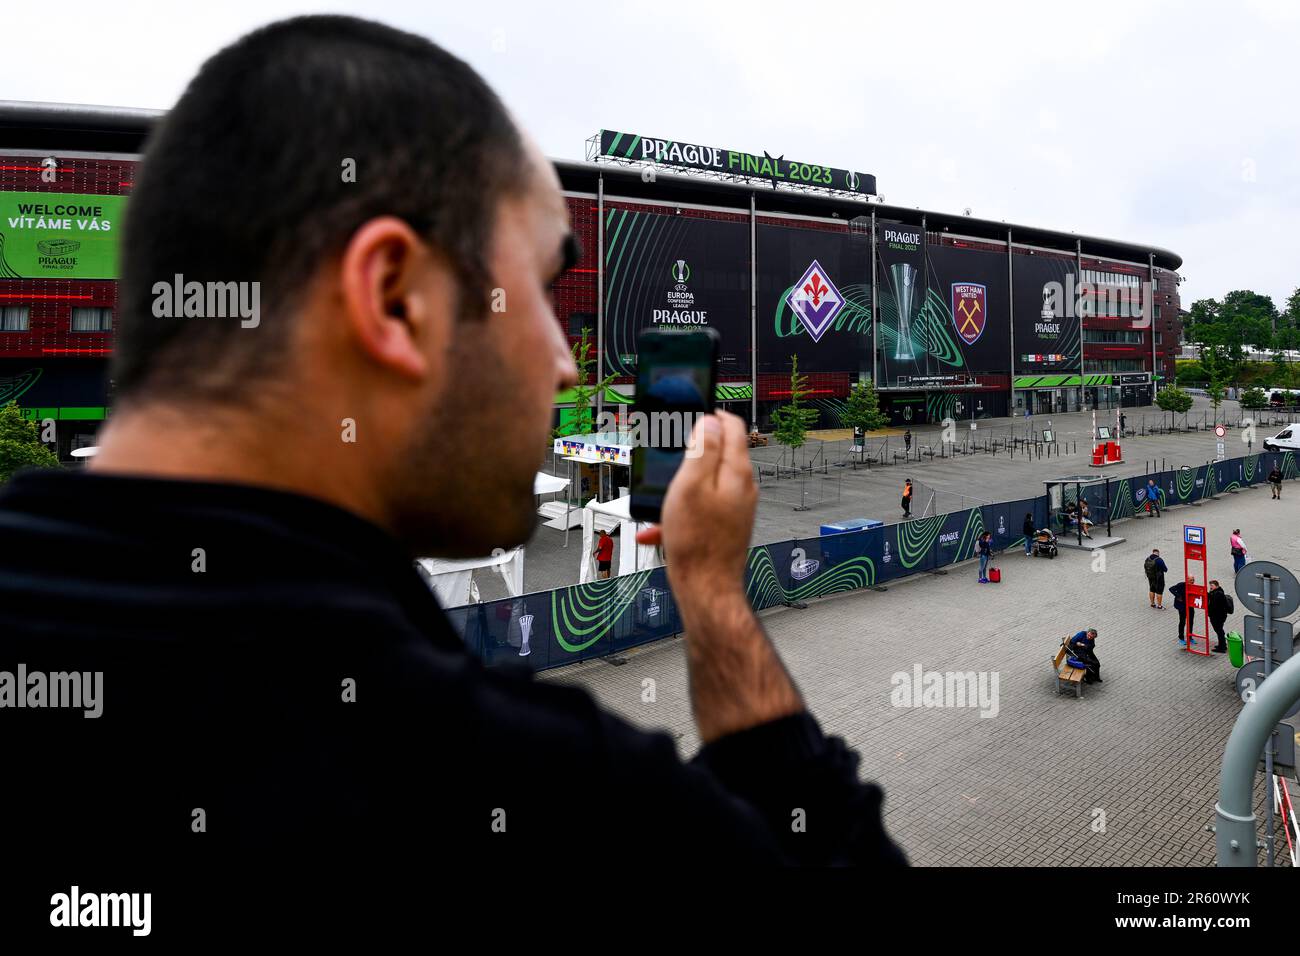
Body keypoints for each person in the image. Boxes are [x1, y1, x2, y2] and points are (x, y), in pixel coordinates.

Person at [0, 16, 904, 874]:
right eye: (543, 293)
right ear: (395, 298)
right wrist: (712, 595)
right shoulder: (535, 791)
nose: (563, 362)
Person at [1206, 580, 1233, 653]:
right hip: (1219, 615)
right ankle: (1222, 645)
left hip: (1218, 616)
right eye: (1210, 586)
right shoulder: (1217, 592)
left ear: (1216, 586)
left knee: (1219, 631)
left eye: (1212, 586)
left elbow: (1214, 603)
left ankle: (1222, 647)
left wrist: (1209, 594)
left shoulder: (1218, 594)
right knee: (1219, 630)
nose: (1210, 587)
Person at [1170, 575, 1197, 645]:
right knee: (1182, 622)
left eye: (1193, 580)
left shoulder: (1193, 587)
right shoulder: (1181, 585)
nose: (1193, 581)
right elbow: (1171, 589)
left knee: (1191, 622)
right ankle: (1181, 638)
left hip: (1190, 606)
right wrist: (1178, 596)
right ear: (1187, 580)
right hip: (1182, 607)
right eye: (1191, 580)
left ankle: (1190, 637)